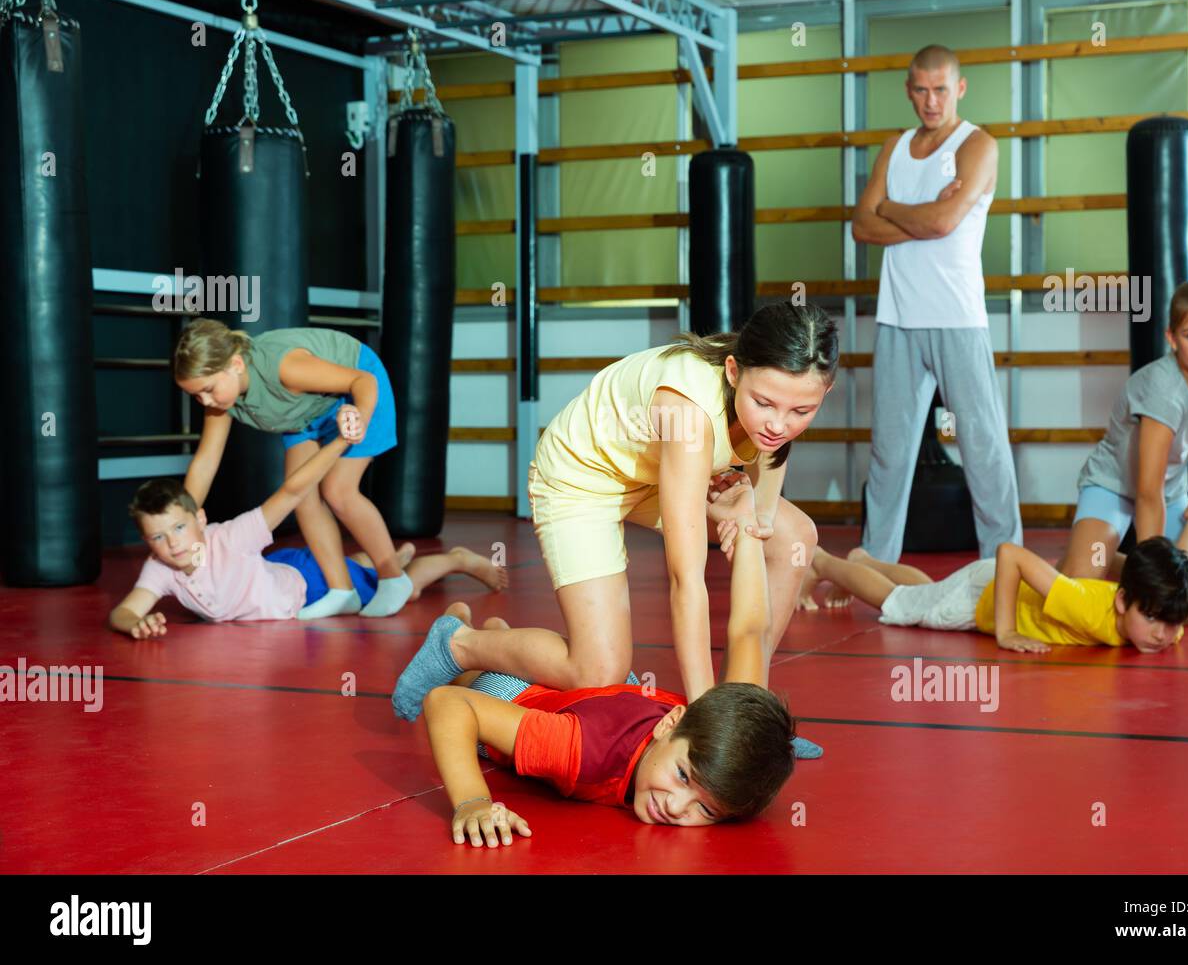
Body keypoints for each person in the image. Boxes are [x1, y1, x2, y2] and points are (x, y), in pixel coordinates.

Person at [397, 303, 833, 721]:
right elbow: (687, 580)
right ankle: (459, 645)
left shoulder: (774, 422)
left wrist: (743, 516)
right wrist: (705, 722)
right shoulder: (688, 413)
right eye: (764, 404)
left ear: (824, 393)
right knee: (597, 669)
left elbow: (760, 527)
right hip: (581, 477)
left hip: (655, 477)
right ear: (734, 371)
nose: (779, 425)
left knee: (792, 538)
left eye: (802, 411)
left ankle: (746, 711)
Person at [392, 474, 797, 847]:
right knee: (477, 690)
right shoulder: (583, 751)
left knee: (601, 684)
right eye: (681, 777)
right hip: (514, 695)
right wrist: (472, 801)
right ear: (671, 723)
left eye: (705, 810)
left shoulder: (711, 716)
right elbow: (446, 704)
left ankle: (494, 632)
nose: (676, 806)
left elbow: (749, 630)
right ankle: (463, 641)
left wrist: (745, 527)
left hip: (604, 699)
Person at [852, 43, 1021, 566]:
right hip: (898, 317)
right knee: (889, 454)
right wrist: (921, 213)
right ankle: (876, 564)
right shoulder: (894, 147)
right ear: (909, 90)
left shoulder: (978, 146)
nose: (931, 101)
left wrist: (892, 208)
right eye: (921, 90)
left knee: (983, 446)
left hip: (957, 319)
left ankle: (1003, 565)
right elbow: (861, 226)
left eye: (941, 89)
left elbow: (943, 224)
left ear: (960, 88)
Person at [109, 418, 505, 635]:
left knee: (406, 590)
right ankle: (382, 557)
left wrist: (336, 445)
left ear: (200, 519)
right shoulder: (159, 567)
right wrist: (135, 623)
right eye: (158, 537)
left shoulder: (230, 538)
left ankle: (456, 560)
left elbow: (292, 491)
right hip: (274, 568)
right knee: (358, 567)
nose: (172, 544)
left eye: (178, 529)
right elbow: (124, 611)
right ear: (147, 542)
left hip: (305, 583)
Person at [172, 319, 411, 619]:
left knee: (338, 490)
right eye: (196, 396)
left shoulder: (284, 367)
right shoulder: (220, 402)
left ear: (235, 364)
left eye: (207, 390)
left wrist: (360, 416)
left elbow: (362, 381)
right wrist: (183, 517)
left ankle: (392, 576)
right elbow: (206, 460)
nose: (205, 401)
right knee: (303, 496)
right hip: (303, 414)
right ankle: (342, 591)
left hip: (358, 389)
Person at [802, 511, 1188, 655]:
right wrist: (1006, 631)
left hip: (990, 583)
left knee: (930, 590)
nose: (1163, 634)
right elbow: (1012, 553)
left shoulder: (1163, 619)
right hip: (982, 599)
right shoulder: (1083, 602)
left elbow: (1172, 605)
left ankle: (865, 560)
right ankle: (823, 563)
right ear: (1120, 602)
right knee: (901, 603)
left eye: (1171, 624)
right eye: (1153, 619)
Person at [1058, 279, 1188, 580]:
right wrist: (1155, 571)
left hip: (1169, 491)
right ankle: (1087, 555)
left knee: (1182, 604)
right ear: (1172, 338)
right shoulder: (1163, 392)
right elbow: (1147, 492)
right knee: (1085, 581)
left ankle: (1101, 555)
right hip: (1113, 484)